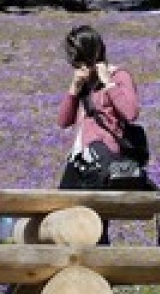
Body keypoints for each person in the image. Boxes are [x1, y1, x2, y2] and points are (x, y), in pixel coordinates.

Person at [56, 25, 141, 245]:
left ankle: (101, 265)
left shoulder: (119, 76)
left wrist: (109, 84)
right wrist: (73, 89)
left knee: (94, 226)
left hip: (102, 160)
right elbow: (63, 121)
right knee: (61, 218)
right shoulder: (84, 83)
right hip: (79, 159)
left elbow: (131, 112)